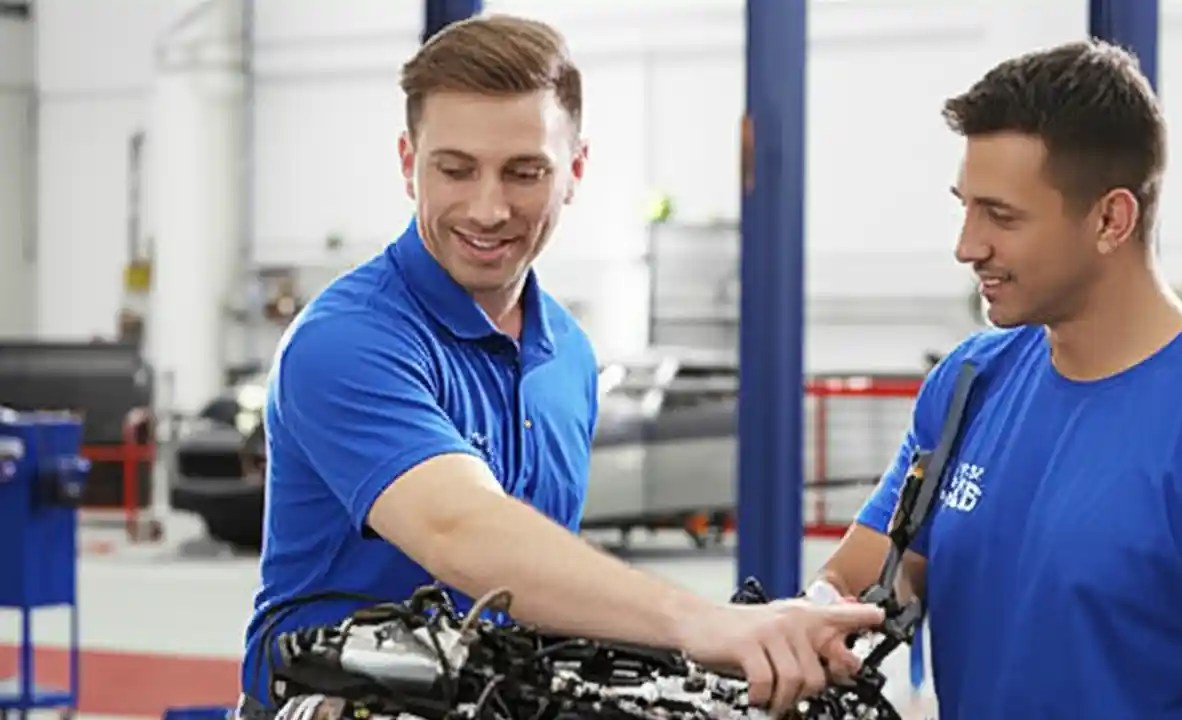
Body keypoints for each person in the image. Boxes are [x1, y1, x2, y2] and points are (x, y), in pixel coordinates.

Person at [237, 13, 885, 718]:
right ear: (406, 163)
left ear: (574, 171)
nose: (488, 209)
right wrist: (702, 624)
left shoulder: (568, 354)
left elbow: (536, 592)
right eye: (455, 170)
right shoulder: (347, 342)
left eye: (524, 173)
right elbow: (461, 530)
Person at [809, 39, 1182, 719]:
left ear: (1111, 220)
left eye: (1001, 216)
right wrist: (805, 623)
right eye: (964, 207)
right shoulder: (970, 384)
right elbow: (867, 576)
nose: (967, 246)